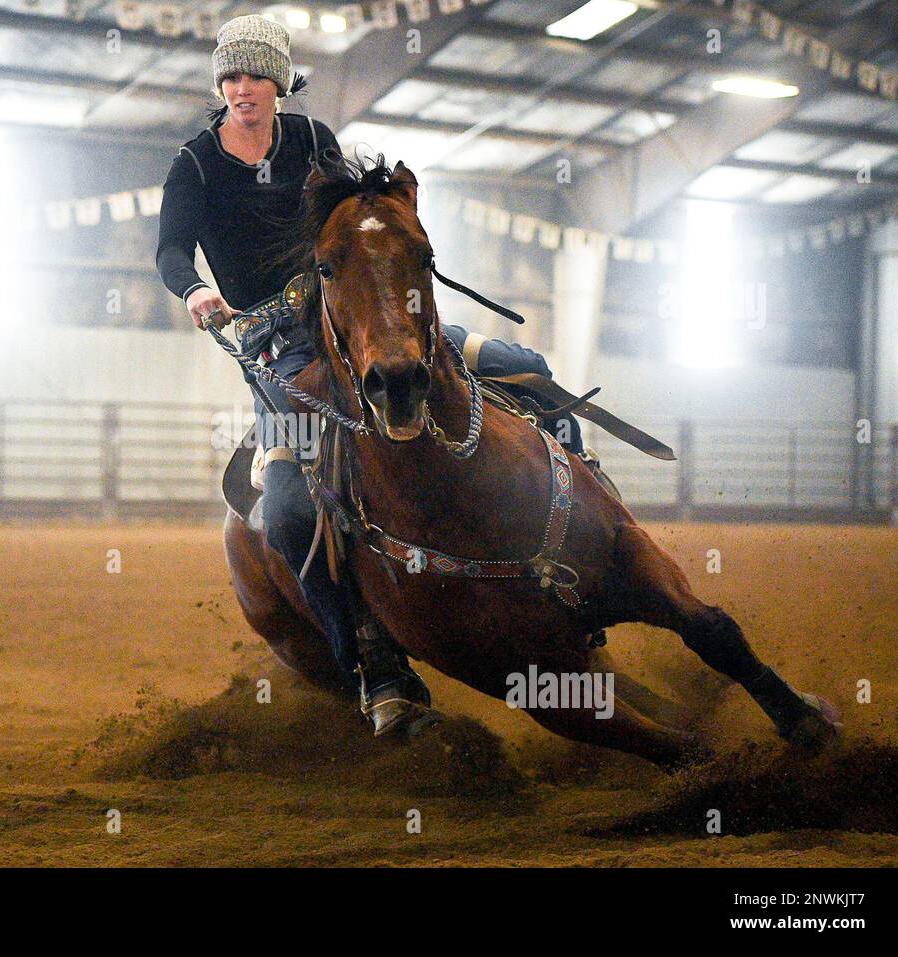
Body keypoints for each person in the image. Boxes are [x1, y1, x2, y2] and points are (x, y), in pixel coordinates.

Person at [156, 14, 601, 736]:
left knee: (527, 370)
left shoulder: (310, 142)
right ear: (222, 85)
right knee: (294, 507)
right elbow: (172, 248)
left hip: (358, 318)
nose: (244, 88)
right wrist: (196, 290)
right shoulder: (196, 165)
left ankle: (584, 529)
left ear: (278, 82)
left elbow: (356, 216)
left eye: (257, 75)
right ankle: (371, 663)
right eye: (232, 76)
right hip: (282, 349)